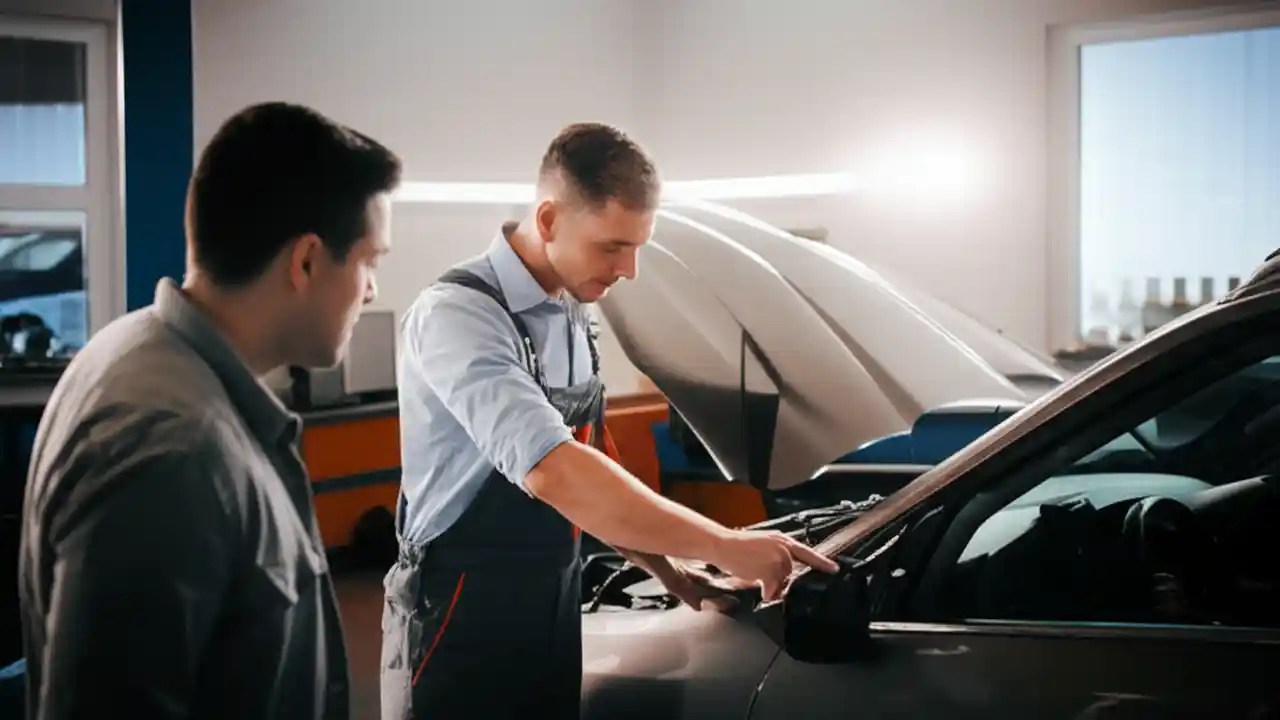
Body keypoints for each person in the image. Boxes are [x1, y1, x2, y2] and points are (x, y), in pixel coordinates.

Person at [383, 122, 837, 719]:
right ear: (548, 220)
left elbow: (595, 460)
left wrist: (669, 568)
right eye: (613, 247)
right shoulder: (459, 317)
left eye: (638, 246)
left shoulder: (572, 310)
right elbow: (557, 473)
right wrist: (724, 543)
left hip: (551, 599)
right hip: (457, 615)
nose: (630, 270)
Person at [18, 101, 402, 719]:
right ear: (305, 261)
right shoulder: (170, 450)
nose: (373, 288)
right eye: (369, 261)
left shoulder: (141, 354)